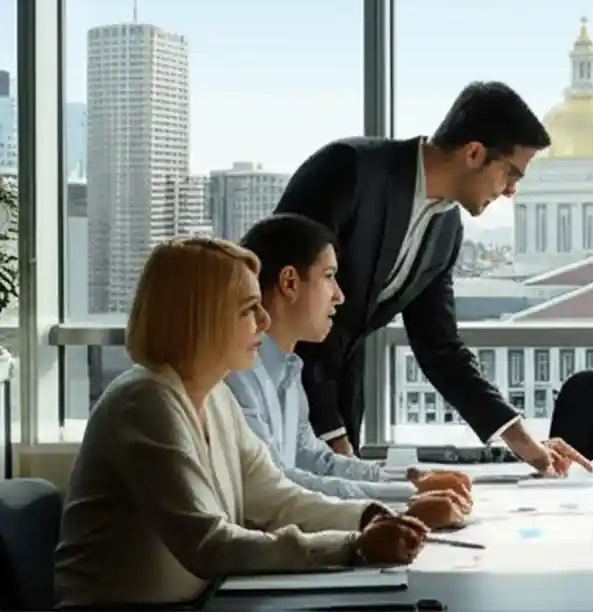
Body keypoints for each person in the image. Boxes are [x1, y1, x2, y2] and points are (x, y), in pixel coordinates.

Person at [55, 238, 430, 608]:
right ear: (201, 316)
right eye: (250, 308)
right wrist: (353, 546)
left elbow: (275, 497)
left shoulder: (216, 396)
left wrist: (367, 516)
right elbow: (210, 543)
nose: (265, 321)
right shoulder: (145, 402)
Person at [277, 81, 590, 475]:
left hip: (340, 399)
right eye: (511, 174)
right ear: (474, 153)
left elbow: (439, 347)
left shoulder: (447, 230)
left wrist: (521, 440)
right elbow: (286, 295)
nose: (512, 191)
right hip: (273, 393)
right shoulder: (347, 169)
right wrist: (330, 434)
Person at [226, 213, 475, 505]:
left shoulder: (286, 369)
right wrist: (409, 496)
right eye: (329, 277)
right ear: (290, 282)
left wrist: (411, 480)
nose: (339, 296)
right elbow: (279, 484)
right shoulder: (238, 375)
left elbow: (318, 462)